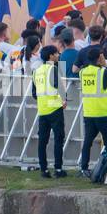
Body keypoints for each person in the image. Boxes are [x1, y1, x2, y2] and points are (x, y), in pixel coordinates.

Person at [31, 45, 67, 178]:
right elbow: (60, 89)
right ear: (51, 56)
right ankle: (58, 169)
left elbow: (34, 94)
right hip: (55, 108)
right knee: (58, 139)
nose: (58, 55)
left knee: (43, 141)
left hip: (42, 110)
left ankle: (44, 170)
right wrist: (63, 101)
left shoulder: (36, 71)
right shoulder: (54, 69)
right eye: (56, 53)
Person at [77, 45, 107, 175]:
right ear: (99, 58)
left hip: (89, 112)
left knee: (87, 142)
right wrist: (105, 64)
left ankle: (84, 168)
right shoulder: (103, 72)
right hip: (104, 113)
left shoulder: (83, 72)